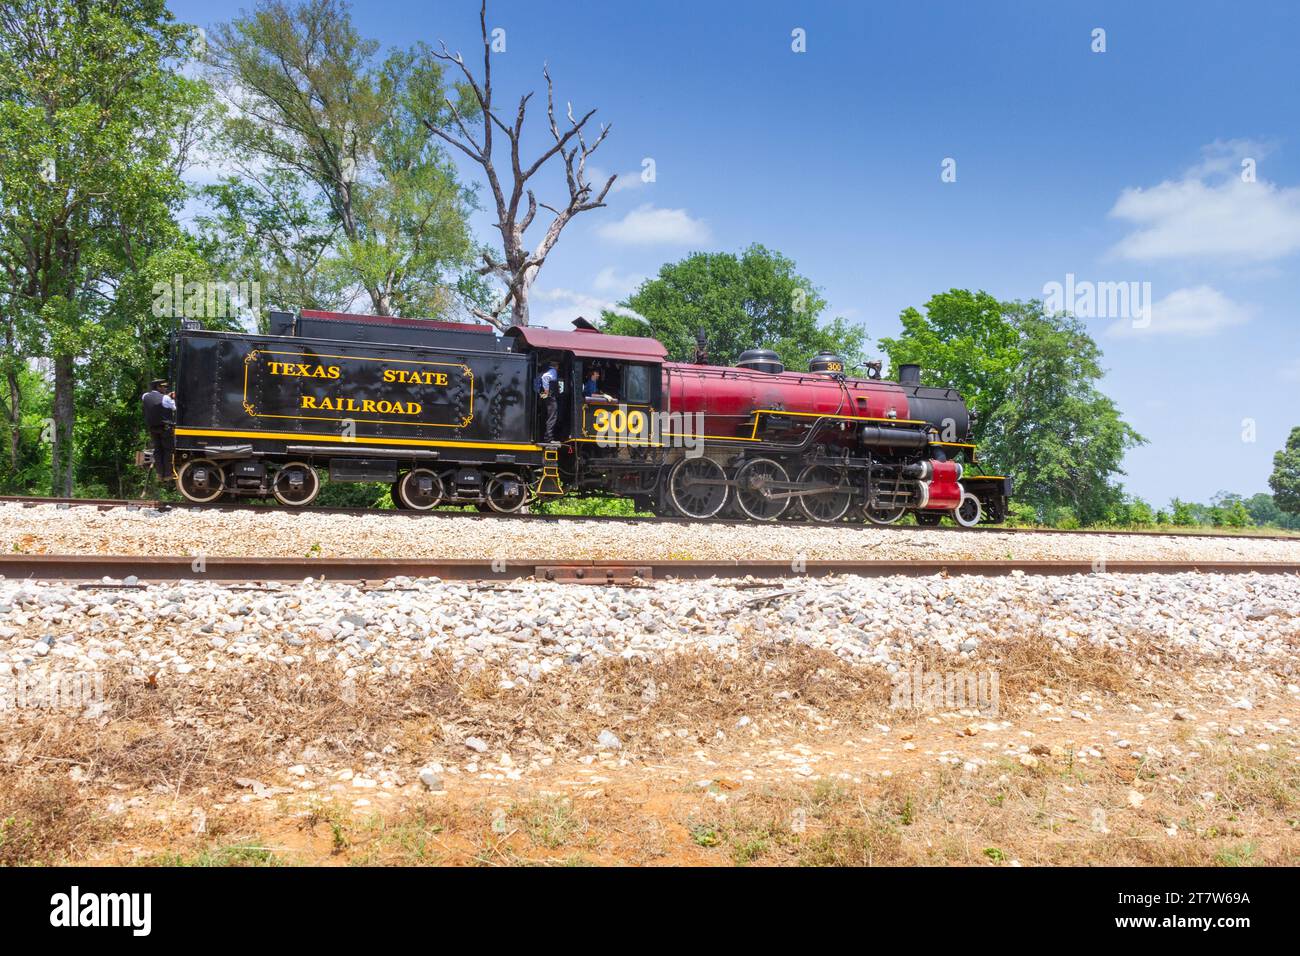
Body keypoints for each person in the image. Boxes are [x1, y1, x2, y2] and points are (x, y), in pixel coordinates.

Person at [141, 379, 175, 481]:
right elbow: (174, 408)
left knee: (157, 451)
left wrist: (167, 396)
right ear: (158, 387)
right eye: (163, 387)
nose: (165, 389)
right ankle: (168, 474)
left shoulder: (145, 396)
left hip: (152, 429)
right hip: (165, 429)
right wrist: (171, 398)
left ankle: (159, 474)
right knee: (167, 451)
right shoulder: (165, 398)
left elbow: (155, 401)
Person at [537, 359, 560, 442]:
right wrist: (547, 390)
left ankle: (543, 436)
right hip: (550, 395)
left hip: (545, 395)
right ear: (556, 365)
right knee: (553, 415)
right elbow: (545, 378)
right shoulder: (553, 371)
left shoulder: (544, 370)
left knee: (545, 414)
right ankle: (549, 438)